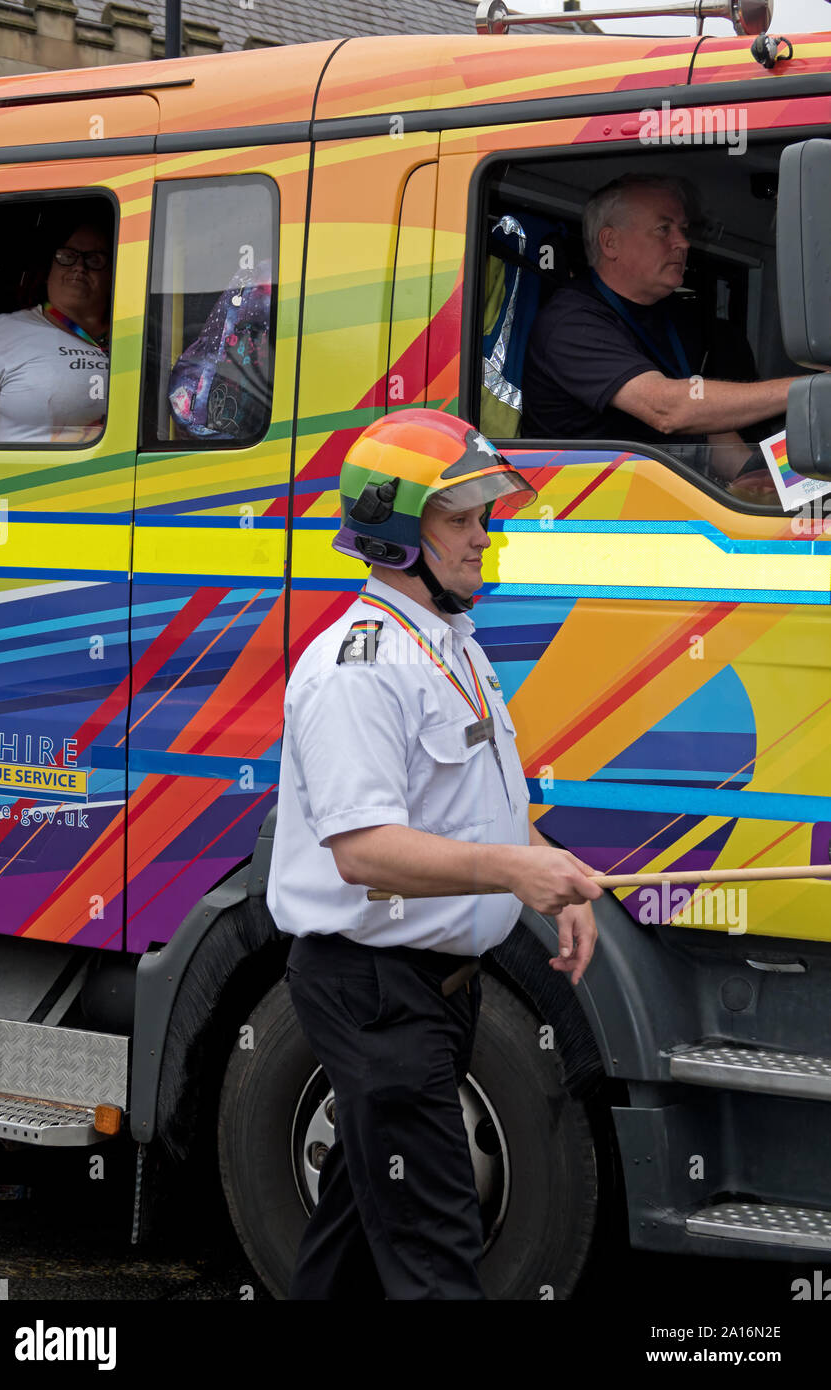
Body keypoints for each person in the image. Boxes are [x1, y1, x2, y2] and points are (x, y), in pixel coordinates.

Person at [266, 408, 603, 1300]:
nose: (482, 539)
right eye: (462, 519)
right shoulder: (358, 668)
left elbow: (479, 806)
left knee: (352, 1238)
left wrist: (552, 880)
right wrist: (511, 872)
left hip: (432, 992)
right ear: (399, 533)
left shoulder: (449, 644)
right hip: (377, 993)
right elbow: (364, 851)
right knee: (435, 1254)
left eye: (483, 518)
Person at [520, 173, 801, 496]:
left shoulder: (676, 318)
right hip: (586, 524)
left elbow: (712, 435)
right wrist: (807, 390)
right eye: (663, 229)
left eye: (682, 230)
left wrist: (785, 487)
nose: (683, 242)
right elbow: (667, 409)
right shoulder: (571, 322)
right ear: (610, 243)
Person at [0, 216, 112, 444]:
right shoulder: (3, 333)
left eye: (94, 259)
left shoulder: (141, 338)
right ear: (48, 270)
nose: (79, 267)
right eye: (67, 256)